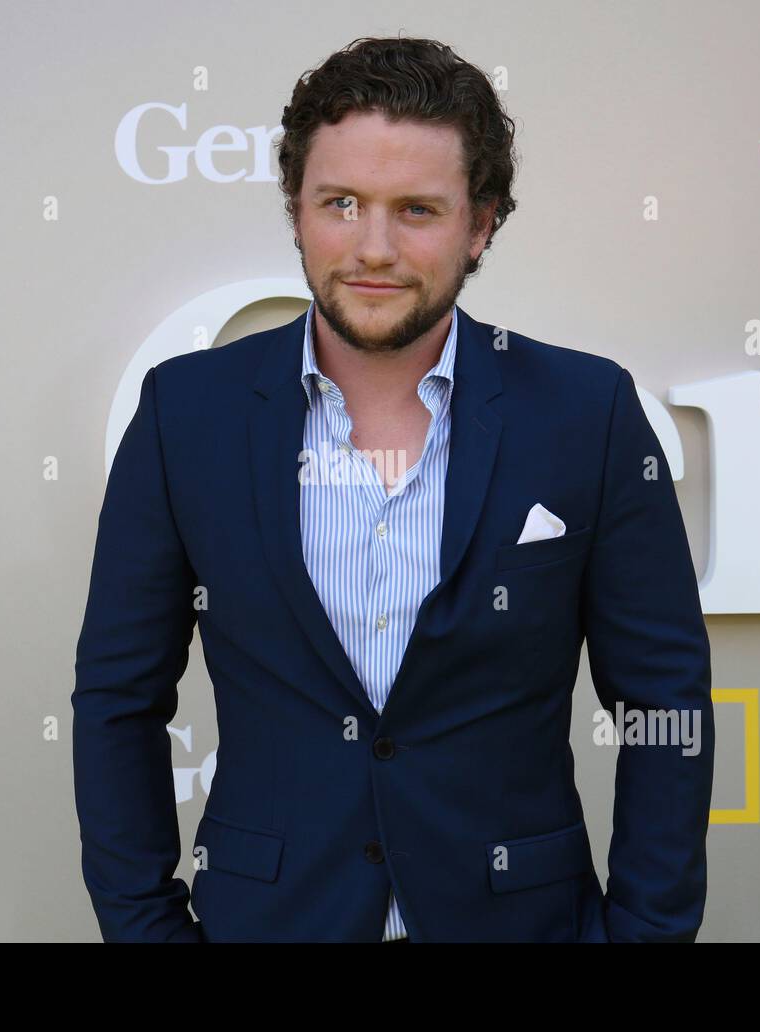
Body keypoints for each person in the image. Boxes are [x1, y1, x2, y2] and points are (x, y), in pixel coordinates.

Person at [71, 36, 714, 943]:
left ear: (481, 223)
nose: (374, 249)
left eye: (417, 209)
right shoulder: (188, 415)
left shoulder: (586, 412)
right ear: (296, 210)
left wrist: (644, 934)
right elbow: (116, 703)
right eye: (341, 204)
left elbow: (664, 706)